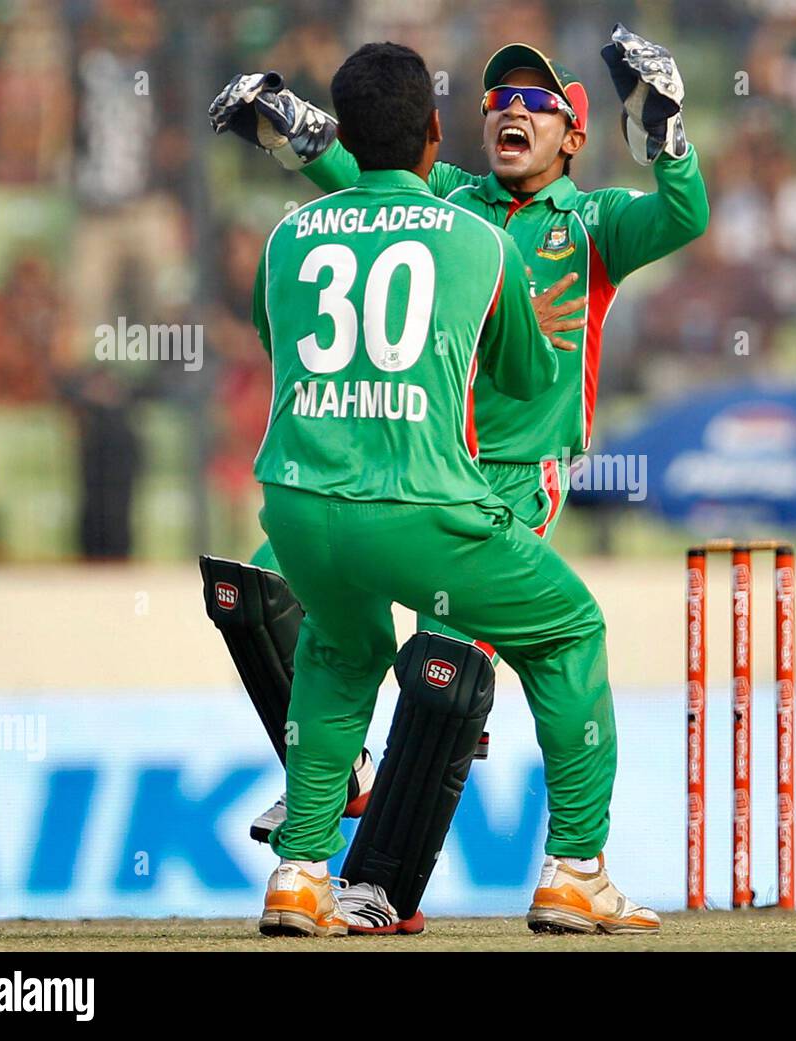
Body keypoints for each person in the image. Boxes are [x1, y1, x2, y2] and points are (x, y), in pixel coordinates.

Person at [208, 24, 706, 932]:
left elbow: (684, 216)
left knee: (440, 668)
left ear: (573, 137)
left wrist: (667, 132)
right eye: (499, 102)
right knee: (256, 589)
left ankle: (370, 880)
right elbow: (372, 177)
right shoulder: (457, 203)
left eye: (537, 104)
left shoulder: (594, 222)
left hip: (514, 472)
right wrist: (291, 128)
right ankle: (343, 790)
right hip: (423, 463)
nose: (514, 111)